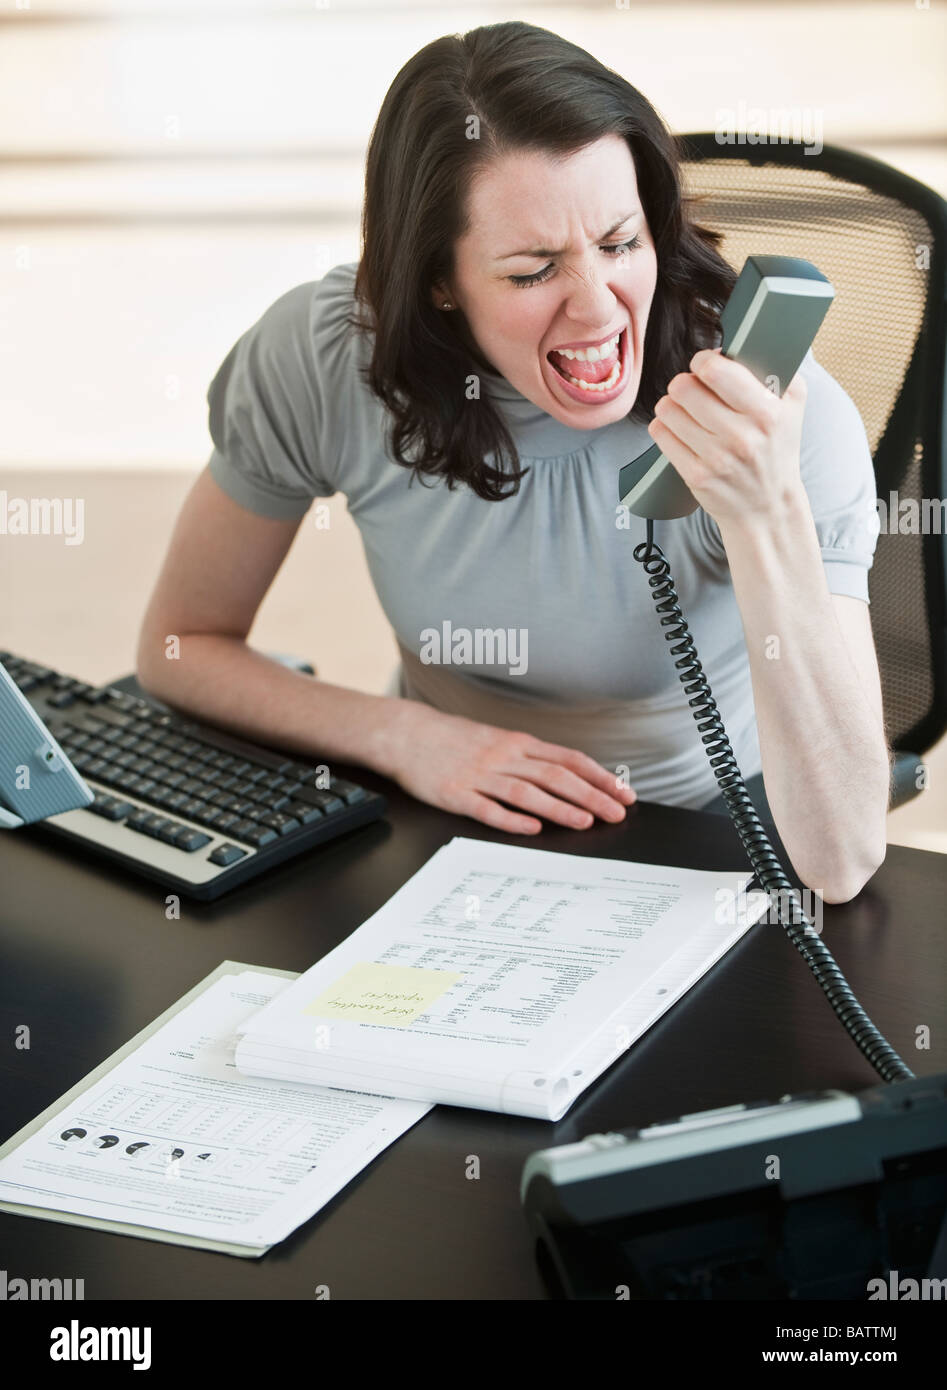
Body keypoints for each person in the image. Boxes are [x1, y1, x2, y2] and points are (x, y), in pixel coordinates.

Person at [137, 22, 890, 902]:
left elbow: (839, 862)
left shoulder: (775, 412)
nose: (597, 309)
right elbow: (180, 646)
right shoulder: (322, 355)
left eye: (619, 243)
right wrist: (400, 737)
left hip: (709, 823)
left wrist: (766, 516)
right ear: (437, 281)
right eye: (534, 271)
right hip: (439, 798)